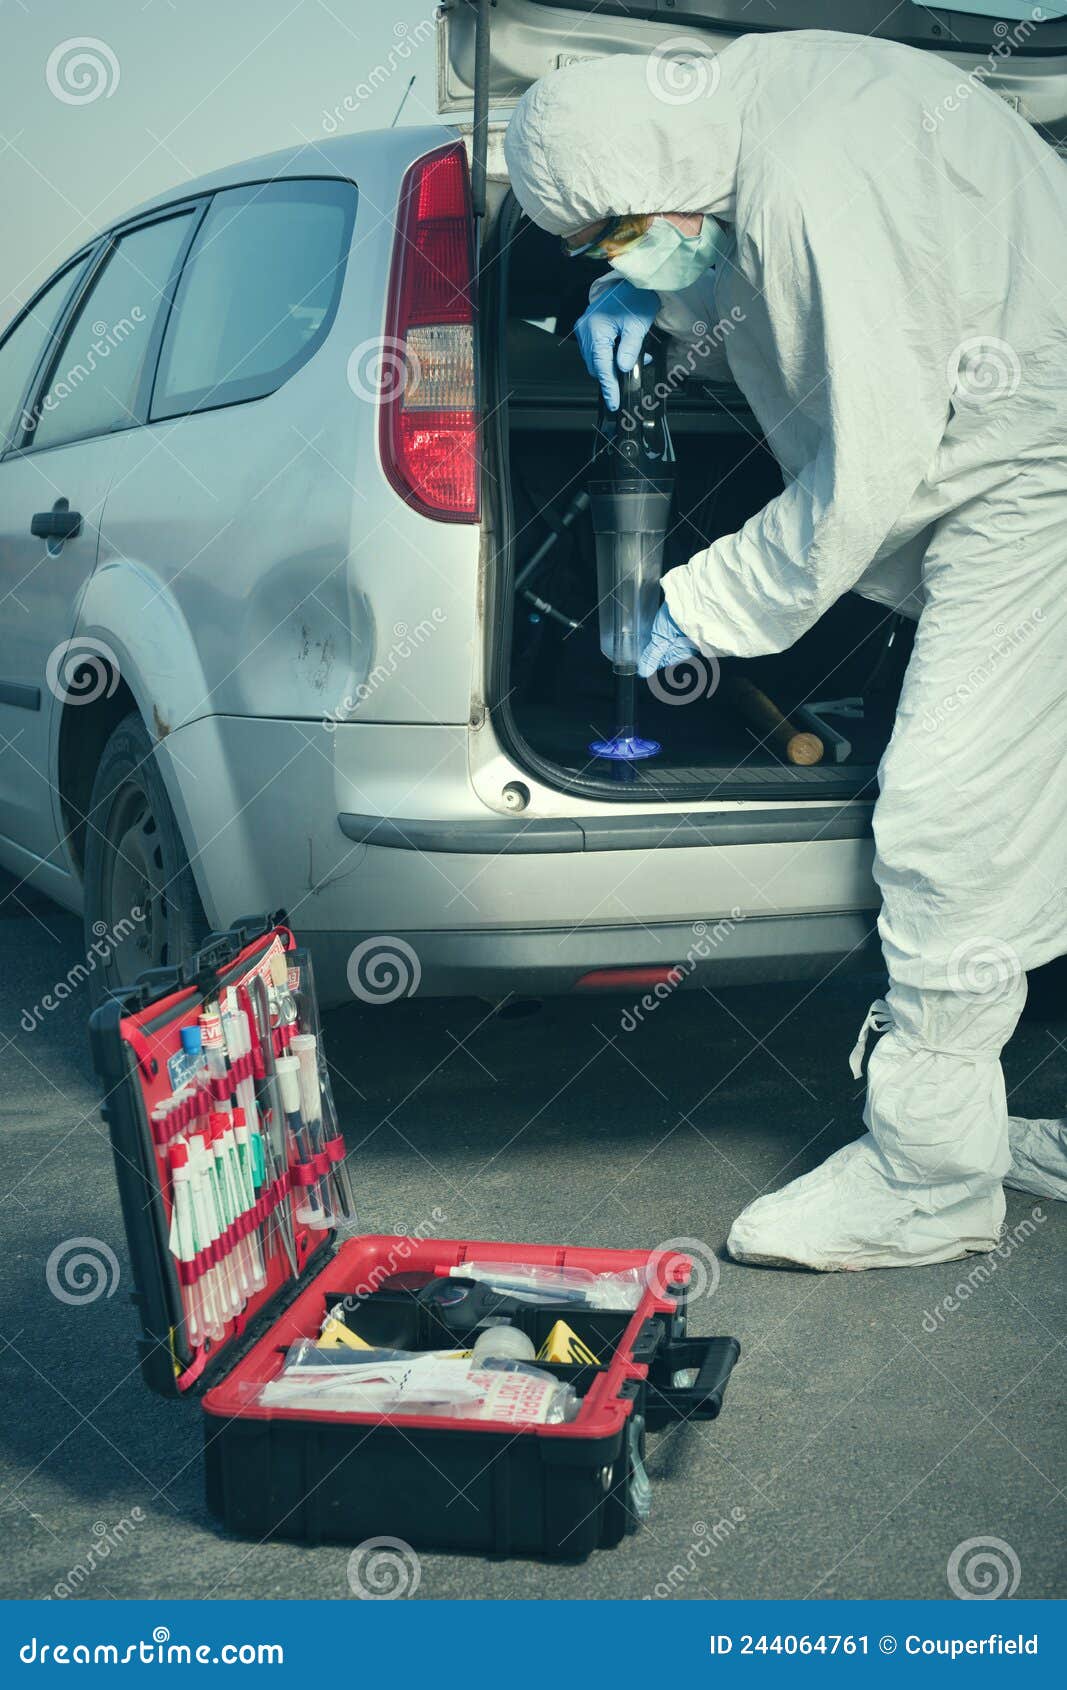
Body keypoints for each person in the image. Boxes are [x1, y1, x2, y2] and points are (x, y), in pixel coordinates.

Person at [504, 31, 1067, 1270]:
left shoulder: (815, 171)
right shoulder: (753, 109)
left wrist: (694, 609)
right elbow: (725, 253)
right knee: (1035, 809)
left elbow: (864, 474)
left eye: (621, 235)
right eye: (601, 249)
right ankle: (991, 1131)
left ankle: (927, 1181)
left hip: (1037, 476)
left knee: (950, 813)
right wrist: (647, 293)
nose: (626, 255)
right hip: (1011, 455)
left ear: (656, 161)